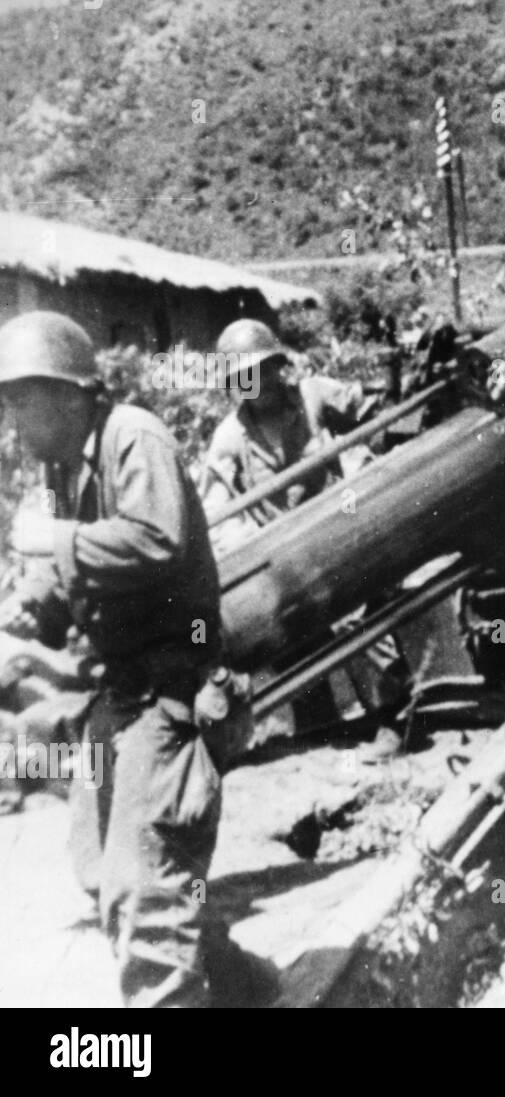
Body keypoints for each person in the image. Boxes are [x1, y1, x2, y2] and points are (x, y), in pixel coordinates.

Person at [0, 310, 263, 1007]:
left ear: (67, 393)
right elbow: (56, 590)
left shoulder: (133, 436)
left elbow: (155, 540)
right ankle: (243, 989)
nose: (12, 423)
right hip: (119, 696)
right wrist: (22, 617)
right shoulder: (61, 470)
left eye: (20, 401)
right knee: (99, 864)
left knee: (147, 883)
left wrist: (51, 539)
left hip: (171, 689)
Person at [198, 319, 409, 757]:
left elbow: (376, 413)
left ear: (279, 368)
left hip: (340, 530)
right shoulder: (229, 438)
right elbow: (217, 513)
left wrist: (362, 464)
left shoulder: (314, 395)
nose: (256, 384)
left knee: (356, 619)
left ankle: (391, 720)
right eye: (243, 377)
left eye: (263, 370)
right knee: (286, 627)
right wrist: (258, 544)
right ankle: (321, 725)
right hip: (283, 555)